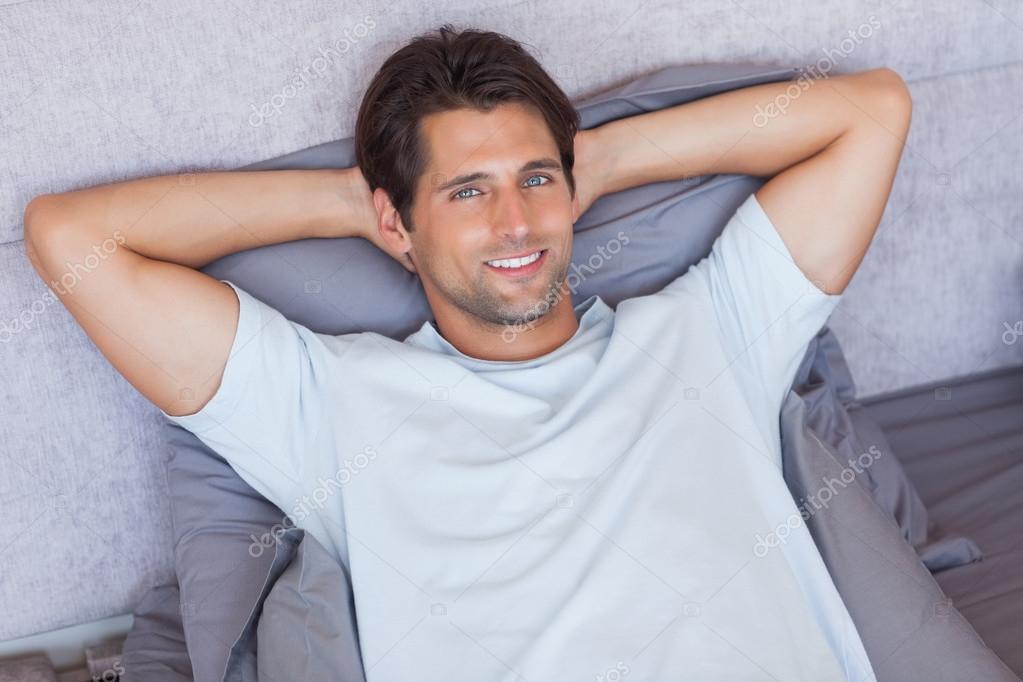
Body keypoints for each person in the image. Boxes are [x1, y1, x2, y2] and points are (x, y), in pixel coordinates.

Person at [24, 23, 911, 681]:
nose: (514, 222)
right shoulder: (329, 400)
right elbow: (71, 238)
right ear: (396, 221)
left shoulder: (709, 326)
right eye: (465, 192)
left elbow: (872, 111)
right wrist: (354, 205)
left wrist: (592, 159)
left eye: (534, 180)